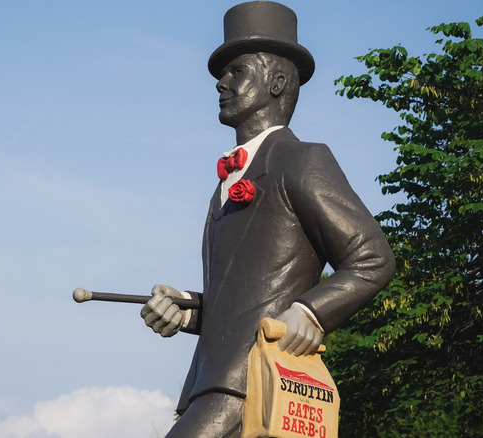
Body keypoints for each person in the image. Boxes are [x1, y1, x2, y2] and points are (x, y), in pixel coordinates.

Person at [139, 2, 395, 437]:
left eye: (237, 71)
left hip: (258, 381)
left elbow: (373, 258)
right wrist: (187, 310)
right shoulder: (225, 181)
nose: (220, 82)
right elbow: (248, 295)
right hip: (214, 385)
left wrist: (310, 313)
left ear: (277, 82)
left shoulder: (302, 160)